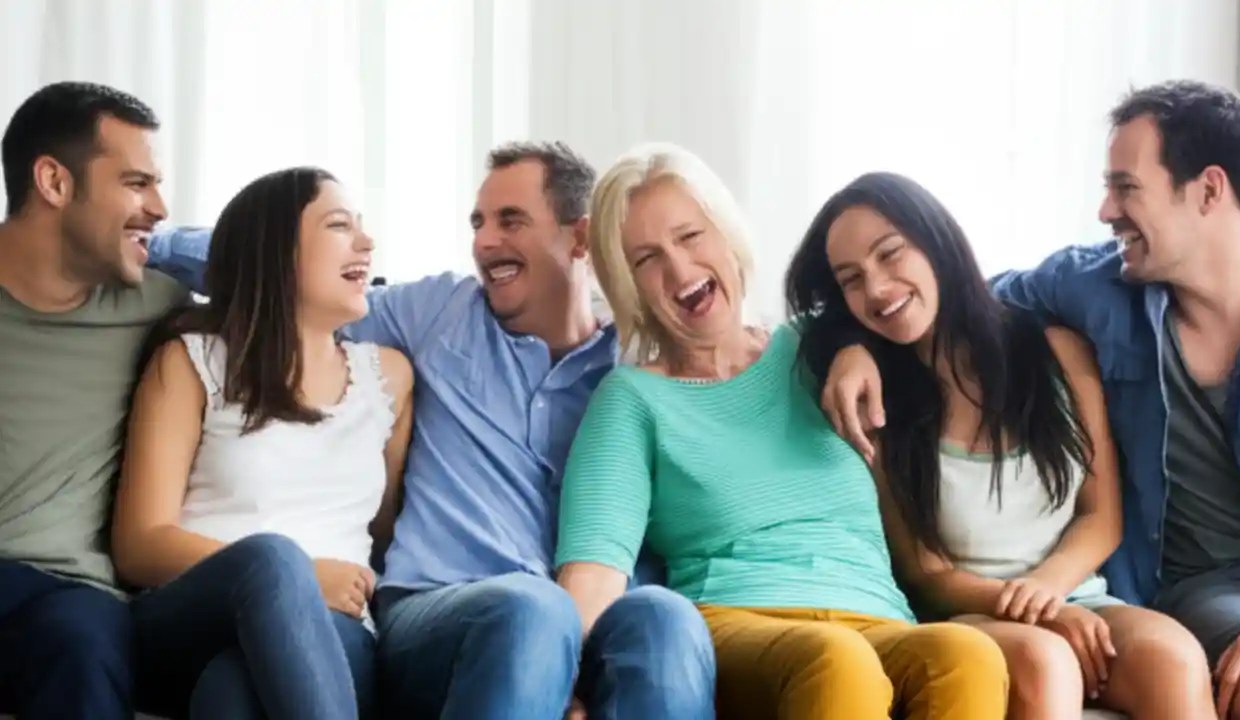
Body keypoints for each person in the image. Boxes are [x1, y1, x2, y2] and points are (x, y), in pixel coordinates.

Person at [156, 142, 718, 720]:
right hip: (438, 615)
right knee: (532, 608)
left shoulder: (636, 368)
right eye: (478, 223)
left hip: (586, 617)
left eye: (510, 221)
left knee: (666, 617)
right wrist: (145, 242)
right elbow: (281, 268)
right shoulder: (437, 313)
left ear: (580, 239)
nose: (484, 242)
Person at [820, 79, 1240, 719]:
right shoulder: (1093, 287)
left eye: (1125, 187)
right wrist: (849, 343)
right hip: (1205, 588)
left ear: (1208, 189)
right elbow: (948, 298)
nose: (1105, 211)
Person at [556, 142, 1009, 720]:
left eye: (691, 236)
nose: (679, 269)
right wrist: (569, 685)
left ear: (726, 235)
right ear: (628, 285)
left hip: (877, 614)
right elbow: (594, 567)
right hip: (736, 619)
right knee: (838, 660)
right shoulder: (632, 399)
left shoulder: (817, 347)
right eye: (646, 260)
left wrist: (852, 349)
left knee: (967, 653)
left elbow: (924, 304)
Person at [785, 170, 1215, 719]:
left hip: (1070, 590)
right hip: (968, 617)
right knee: (1044, 659)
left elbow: (1101, 516)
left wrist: (1047, 593)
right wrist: (1036, 614)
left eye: (890, 255)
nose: (876, 288)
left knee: (1173, 657)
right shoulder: (876, 404)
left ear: (937, 243)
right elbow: (926, 573)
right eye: (851, 279)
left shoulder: (1056, 351)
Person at [111, 167, 412, 719]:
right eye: (340, 225)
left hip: (333, 630)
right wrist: (300, 577)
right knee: (274, 559)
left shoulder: (389, 378)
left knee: (231, 693)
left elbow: (385, 530)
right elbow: (138, 543)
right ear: (277, 251)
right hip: (191, 613)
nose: (366, 243)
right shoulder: (191, 362)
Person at [0, 81, 202, 719]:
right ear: (55, 183)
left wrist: (157, 243)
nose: (161, 205)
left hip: (63, 595)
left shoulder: (156, 306)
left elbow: (279, 265)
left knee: (83, 644)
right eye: (137, 183)